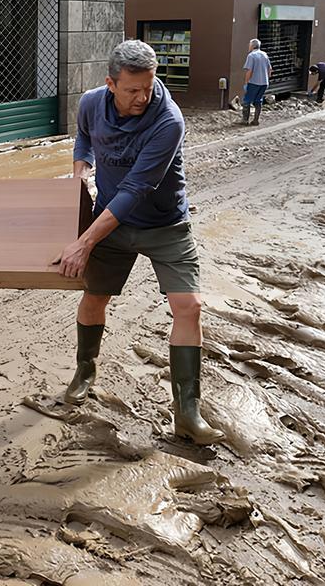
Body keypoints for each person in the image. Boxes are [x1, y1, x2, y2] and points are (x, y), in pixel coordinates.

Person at [57, 40, 225, 445]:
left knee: (189, 306)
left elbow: (136, 188)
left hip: (164, 222)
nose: (142, 97)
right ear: (110, 83)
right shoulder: (91, 104)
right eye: (132, 89)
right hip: (111, 226)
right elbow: (83, 138)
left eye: (148, 87)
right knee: (95, 298)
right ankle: (85, 370)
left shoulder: (168, 120)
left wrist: (83, 243)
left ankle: (187, 412)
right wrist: (81, 172)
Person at [241, 38, 272, 126]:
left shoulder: (251, 56)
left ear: (252, 46)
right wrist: (267, 79)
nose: (248, 46)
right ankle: (256, 120)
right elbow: (270, 69)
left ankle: (245, 120)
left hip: (254, 82)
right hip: (264, 82)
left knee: (247, 101)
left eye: (249, 45)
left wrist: (246, 83)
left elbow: (249, 71)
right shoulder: (265, 55)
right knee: (258, 101)